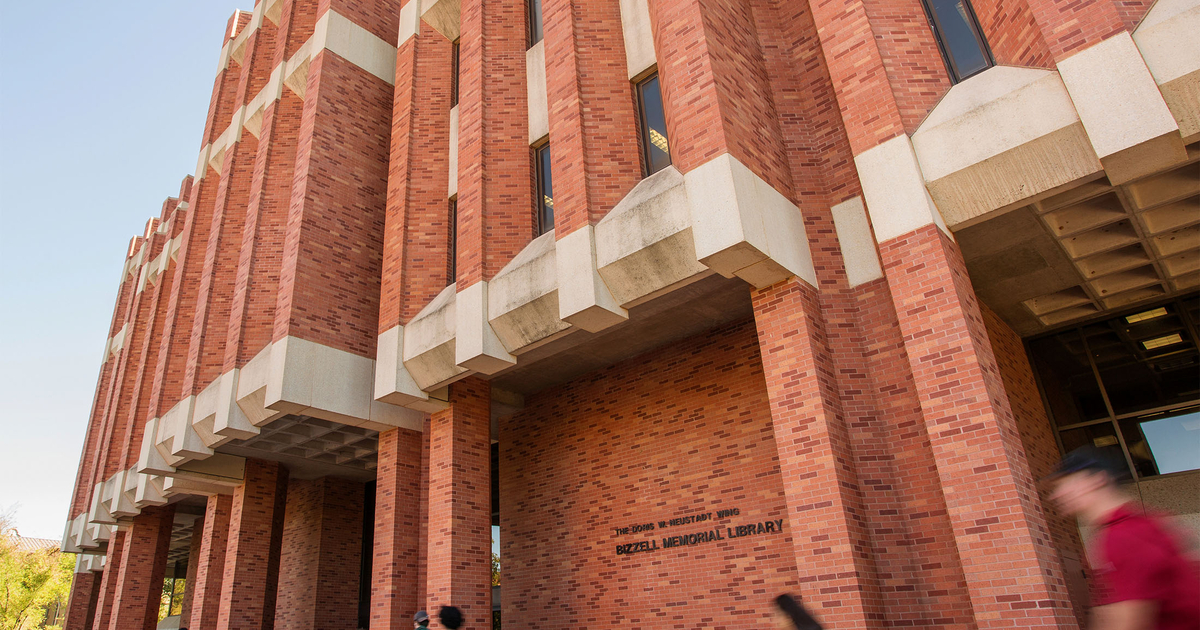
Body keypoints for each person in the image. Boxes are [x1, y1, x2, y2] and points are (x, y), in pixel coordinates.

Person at [1048, 446, 1200, 630]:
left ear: (1096, 480)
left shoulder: (1124, 535)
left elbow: (1131, 621)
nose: (1057, 494)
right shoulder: (1136, 524)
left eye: (1066, 483)